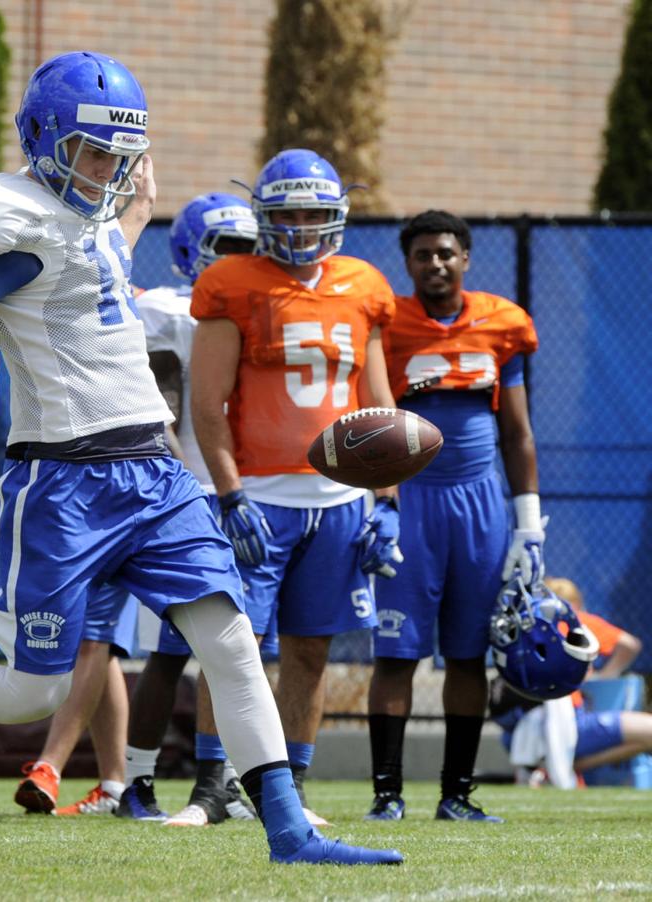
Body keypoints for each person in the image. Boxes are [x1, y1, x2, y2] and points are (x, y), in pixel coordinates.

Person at [0, 51, 401, 866]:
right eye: (96, 153)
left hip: (156, 473)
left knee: (228, 639)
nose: (111, 170)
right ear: (46, 142)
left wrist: (138, 205)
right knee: (35, 690)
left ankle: (289, 832)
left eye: (122, 156)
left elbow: (101, 250)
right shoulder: (12, 234)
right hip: (64, 483)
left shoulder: (91, 225)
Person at [190, 149, 402, 825]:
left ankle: (293, 786)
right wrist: (230, 494)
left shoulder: (364, 284)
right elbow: (206, 405)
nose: (304, 225)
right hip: (260, 494)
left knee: (311, 649)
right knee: (234, 645)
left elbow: (379, 404)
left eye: (315, 211)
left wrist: (388, 499)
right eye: (288, 213)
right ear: (264, 216)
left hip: (339, 500)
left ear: (338, 214)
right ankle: (214, 783)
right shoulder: (232, 281)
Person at [365, 210, 542, 822]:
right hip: (411, 501)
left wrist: (529, 524)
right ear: (408, 263)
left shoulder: (503, 323)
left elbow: (517, 434)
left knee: (469, 655)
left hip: (480, 504)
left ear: (465, 257)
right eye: (422, 255)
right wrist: (380, 504)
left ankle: (456, 796)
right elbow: (373, 425)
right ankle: (387, 796)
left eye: (445, 252)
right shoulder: (385, 324)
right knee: (396, 654)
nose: (435, 264)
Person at [114, 193, 263, 827]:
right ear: (190, 251)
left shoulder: (264, 304)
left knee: (239, 647)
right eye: (225, 248)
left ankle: (228, 779)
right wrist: (192, 488)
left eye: (244, 248)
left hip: (252, 493)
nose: (236, 260)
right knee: (172, 651)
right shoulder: (168, 310)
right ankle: (137, 783)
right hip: (191, 494)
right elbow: (161, 409)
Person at [497, 576, 652, 782]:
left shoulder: (524, 627)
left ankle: (553, 768)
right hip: (569, 725)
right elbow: (630, 644)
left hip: (516, 736)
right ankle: (562, 767)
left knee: (640, 740)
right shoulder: (575, 620)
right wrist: (604, 675)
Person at [12, 588, 136, 816]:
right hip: (66, 552)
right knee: (100, 646)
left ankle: (49, 769)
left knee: (91, 637)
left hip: (107, 551)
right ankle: (114, 789)